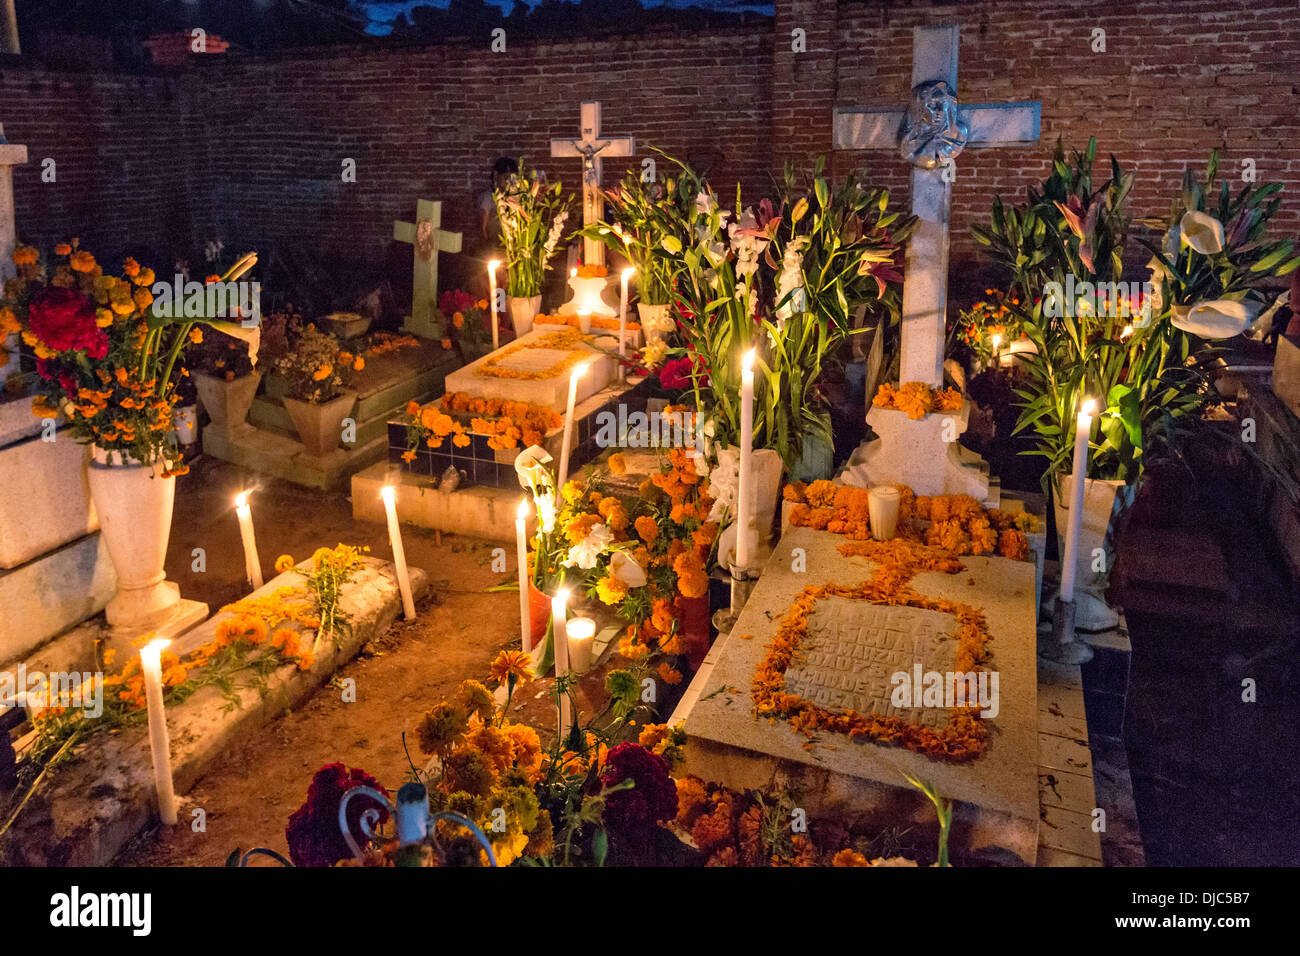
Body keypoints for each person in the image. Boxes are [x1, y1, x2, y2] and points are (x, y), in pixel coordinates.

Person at [478, 156, 517, 244]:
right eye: (505, 177)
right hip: (494, 243)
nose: (508, 181)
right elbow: (482, 227)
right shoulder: (488, 197)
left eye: (512, 178)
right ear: (496, 176)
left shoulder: (517, 197)